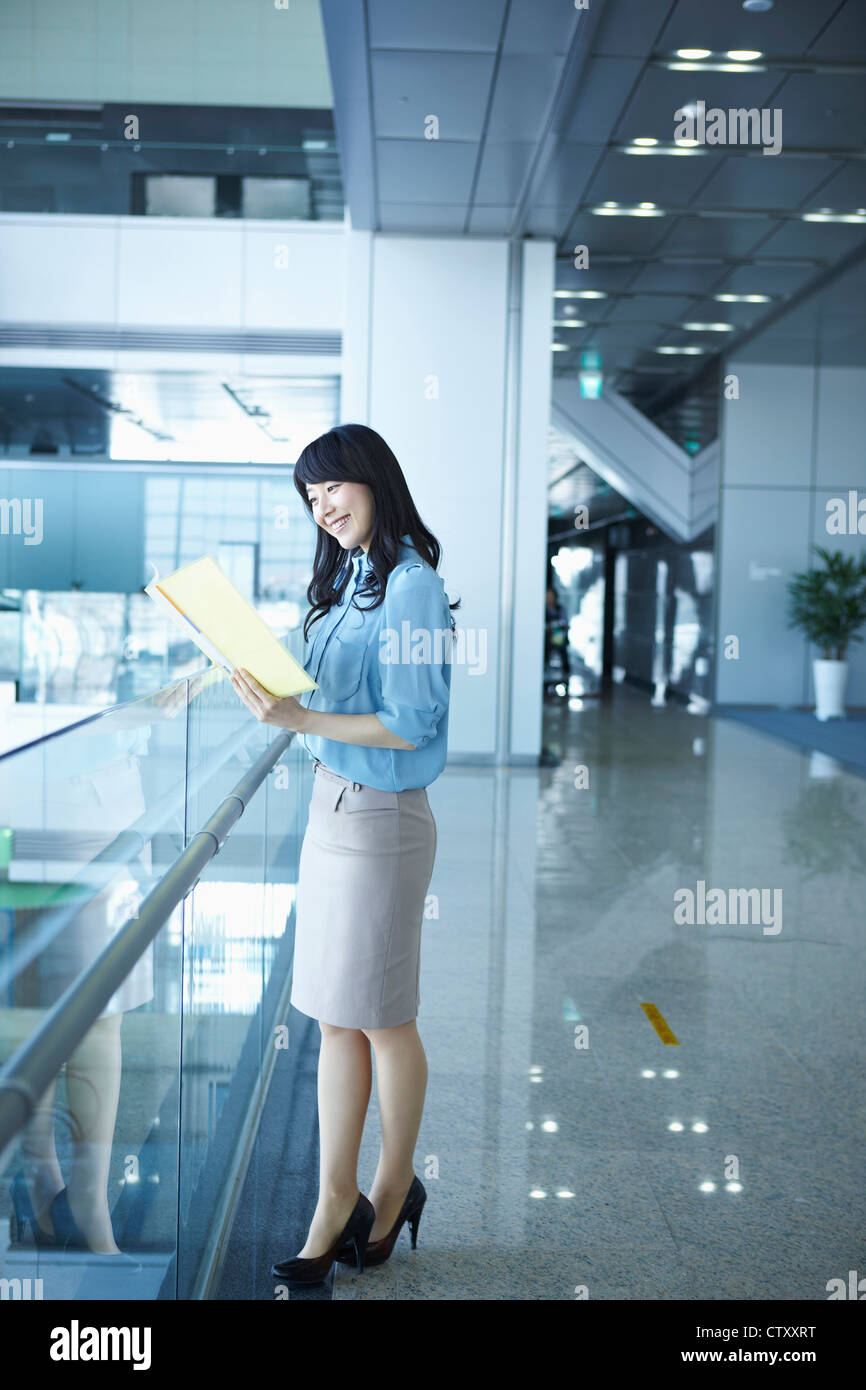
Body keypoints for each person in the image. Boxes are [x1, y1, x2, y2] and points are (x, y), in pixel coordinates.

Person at [230, 423, 458, 1286]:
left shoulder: (412, 588)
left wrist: (300, 722)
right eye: (310, 497)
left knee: (384, 1018)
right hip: (333, 814)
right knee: (335, 1014)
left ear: (373, 480)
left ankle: (391, 1190)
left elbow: (410, 725)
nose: (322, 508)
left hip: (383, 822)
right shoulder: (353, 581)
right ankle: (336, 1197)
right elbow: (319, 687)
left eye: (332, 488)